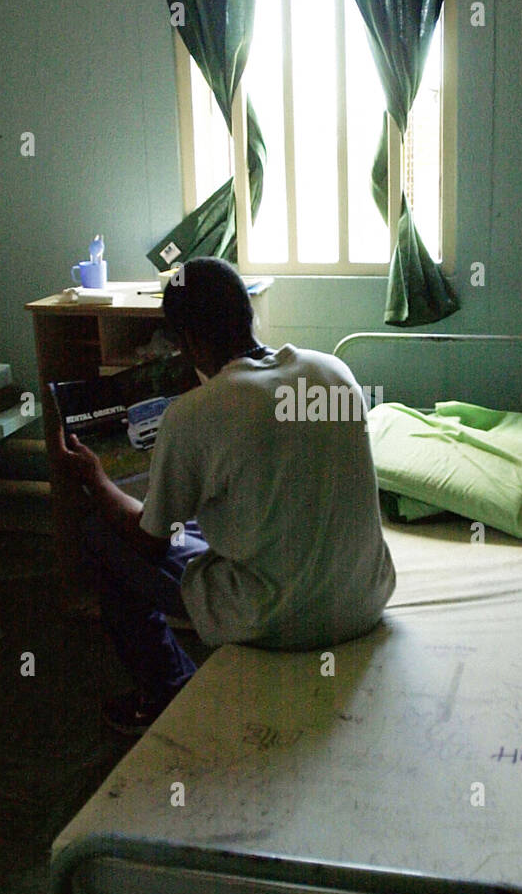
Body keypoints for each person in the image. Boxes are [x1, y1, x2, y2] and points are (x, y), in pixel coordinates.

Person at [56, 256, 396, 735]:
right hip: (363, 597)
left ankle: (164, 691)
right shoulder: (334, 371)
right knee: (202, 517)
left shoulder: (196, 414)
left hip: (280, 618)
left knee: (101, 531)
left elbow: (151, 542)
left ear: (188, 342)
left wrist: (97, 478)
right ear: (248, 313)